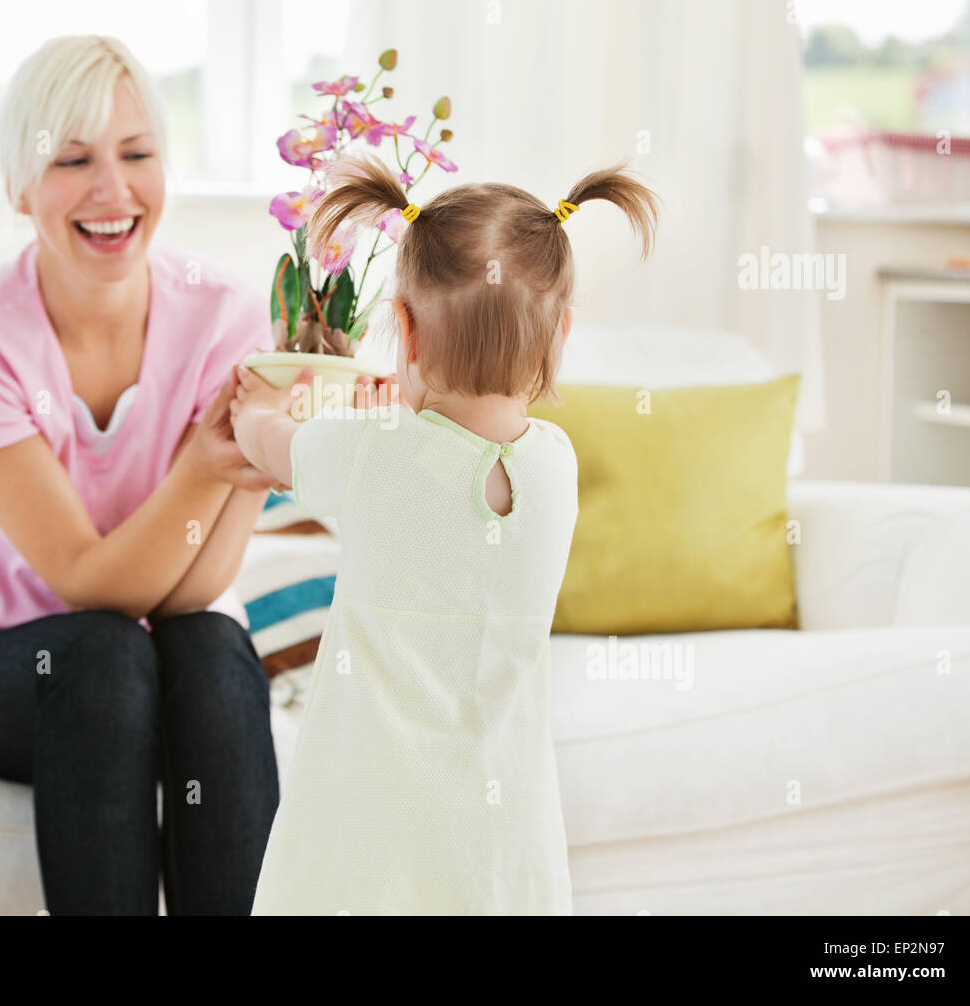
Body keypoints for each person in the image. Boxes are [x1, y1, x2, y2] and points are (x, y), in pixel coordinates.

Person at [0, 34, 388, 915]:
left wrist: (240, 454)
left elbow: (194, 596)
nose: (112, 190)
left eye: (137, 155)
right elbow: (88, 583)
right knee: (103, 652)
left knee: (208, 647)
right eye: (72, 160)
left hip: (157, 661)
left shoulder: (230, 314)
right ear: (19, 187)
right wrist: (207, 461)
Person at [229, 152, 658, 914]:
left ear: (404, 328)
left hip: (369, 830)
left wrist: (257, 409)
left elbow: (274, 446)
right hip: (503, 835)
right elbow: (454, 473)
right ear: (560, 333)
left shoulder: (370, 448)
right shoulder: (556, 468)